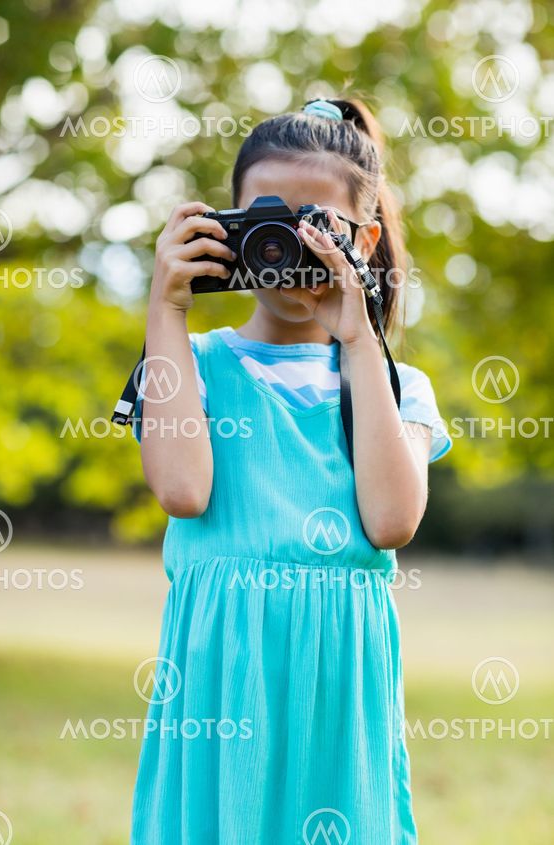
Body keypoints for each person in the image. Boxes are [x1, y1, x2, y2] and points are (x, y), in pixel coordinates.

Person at [130, 97, 451, 845]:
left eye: (317, 225)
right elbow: (183, 492)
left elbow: (391, 520)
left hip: (339, 687)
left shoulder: (395, 385)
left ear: (364, 240)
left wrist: (360, 337)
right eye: (265, 219)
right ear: (229, 226)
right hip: (219, 681)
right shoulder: (193, 364)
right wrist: (165, 307)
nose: (287, 243)